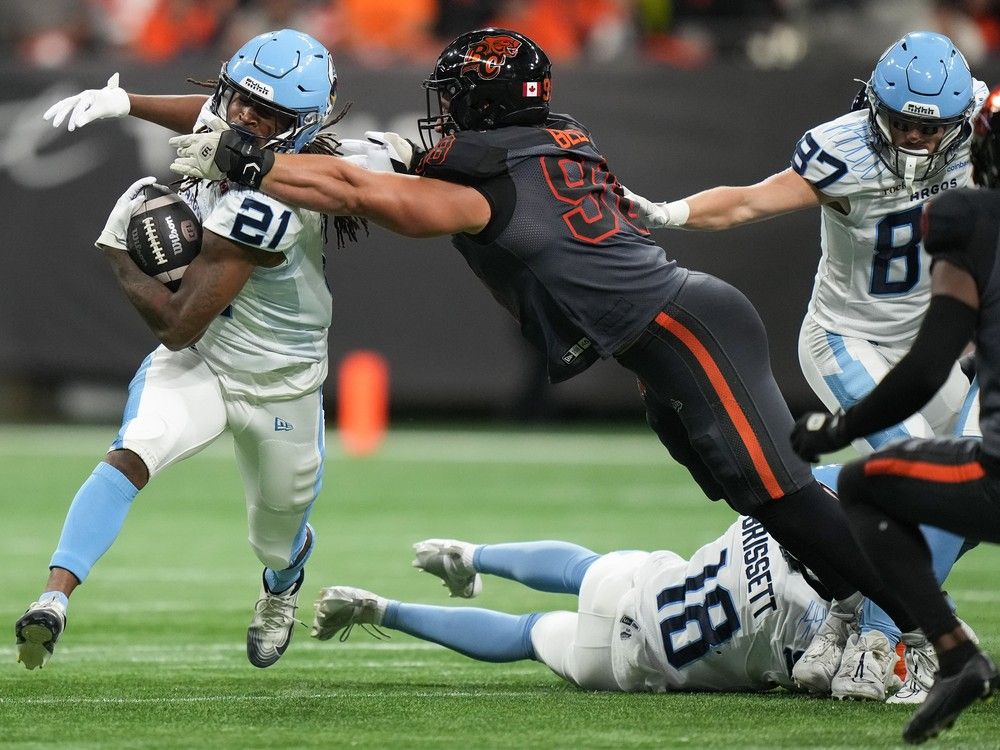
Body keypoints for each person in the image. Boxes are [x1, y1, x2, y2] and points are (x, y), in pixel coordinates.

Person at [169, 27, 924, 674]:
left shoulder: (486, 178)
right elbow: (374, 171)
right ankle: (851, 604)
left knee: (779, 491)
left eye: (458, 99)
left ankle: (922, 629)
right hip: (664, 336)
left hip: (684, 329)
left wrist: (251, 163)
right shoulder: (546, 137)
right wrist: (144, 107)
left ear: (484, 106)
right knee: (749, 495)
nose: (447, 114)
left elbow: (366, 195)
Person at [621, 30, 988, 703]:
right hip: (848, 339)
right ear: (874, 108)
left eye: (928, 129)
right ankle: (893, 642)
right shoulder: (842, 150)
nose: (912, 140)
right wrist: (670, 212)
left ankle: (842, 609)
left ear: (960, 119)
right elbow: (751, 200)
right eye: (901, 123)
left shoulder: (983, 128)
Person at [14, 29, 344, 671]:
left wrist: (119, 253)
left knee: (275, 538)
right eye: (240, 100)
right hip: (208, 362)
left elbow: (178, 323)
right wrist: (124, 102)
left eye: (267, 114)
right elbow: (206, 117)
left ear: (299, 128)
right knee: (132, 452)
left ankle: (282, 586)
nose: (244, 118)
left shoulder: (273, 203)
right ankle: (52, 599)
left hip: (281, 383)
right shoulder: (244, 134)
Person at [789, 105, 1000, 743]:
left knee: (871, 485)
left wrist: (837, 428)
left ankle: (900, 640)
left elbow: (927, 366)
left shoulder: (972, 219)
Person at [312, 511, 834, 693]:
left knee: (581, 568)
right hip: (626, 666)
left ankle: (470, 555)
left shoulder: (778, 527)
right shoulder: (815, 632)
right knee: (527, 635)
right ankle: (379, 610)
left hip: (637, 589)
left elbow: (825, 492)